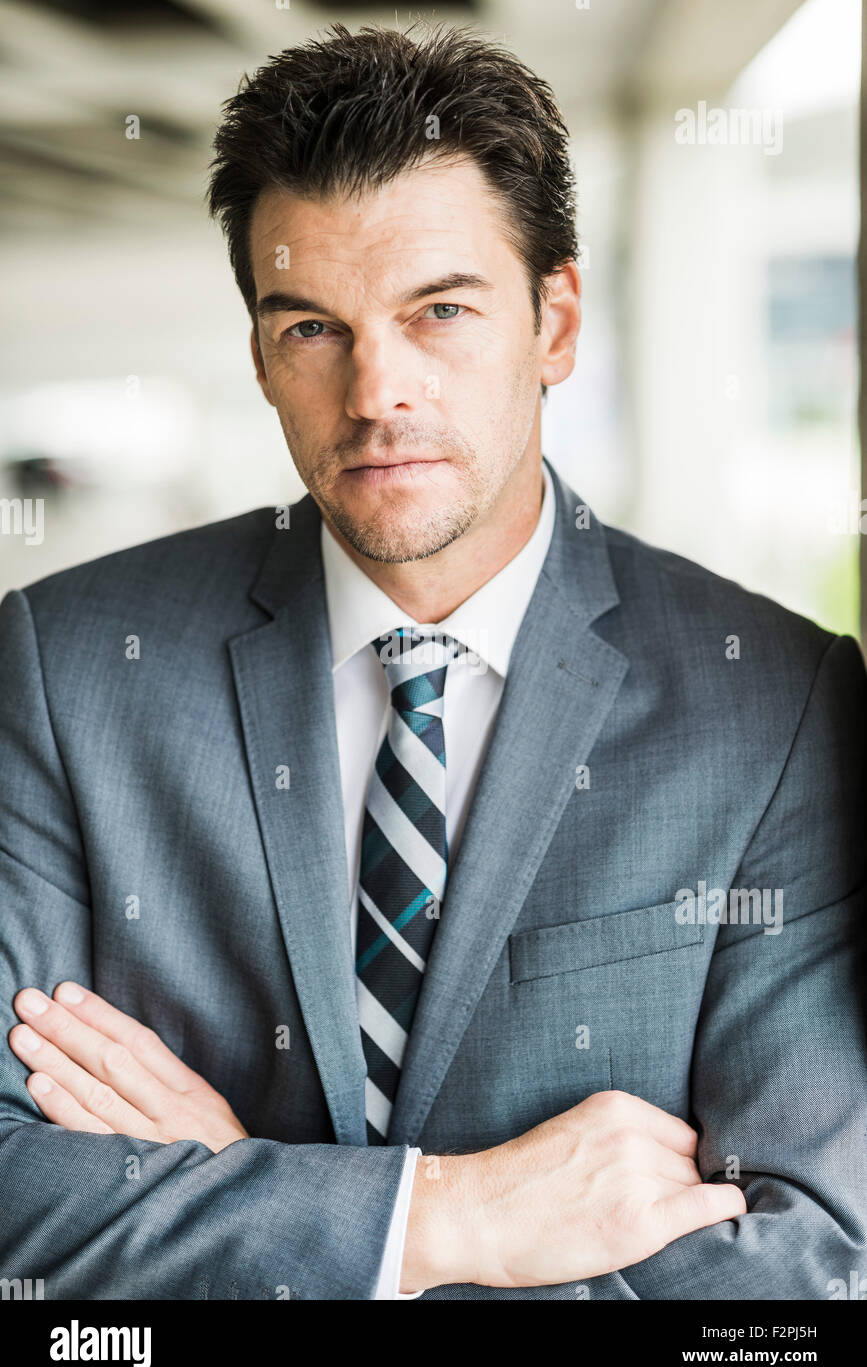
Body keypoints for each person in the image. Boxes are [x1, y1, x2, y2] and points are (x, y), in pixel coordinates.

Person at [1, 21, 864, 1301]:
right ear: (257, 353)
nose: (376, 392)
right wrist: (439, 1220)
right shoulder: (64, 666)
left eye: (441, 311)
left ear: (554, 321)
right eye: (311, 328)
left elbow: (803, 1279)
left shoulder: (779, 704)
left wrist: (261, 1202)